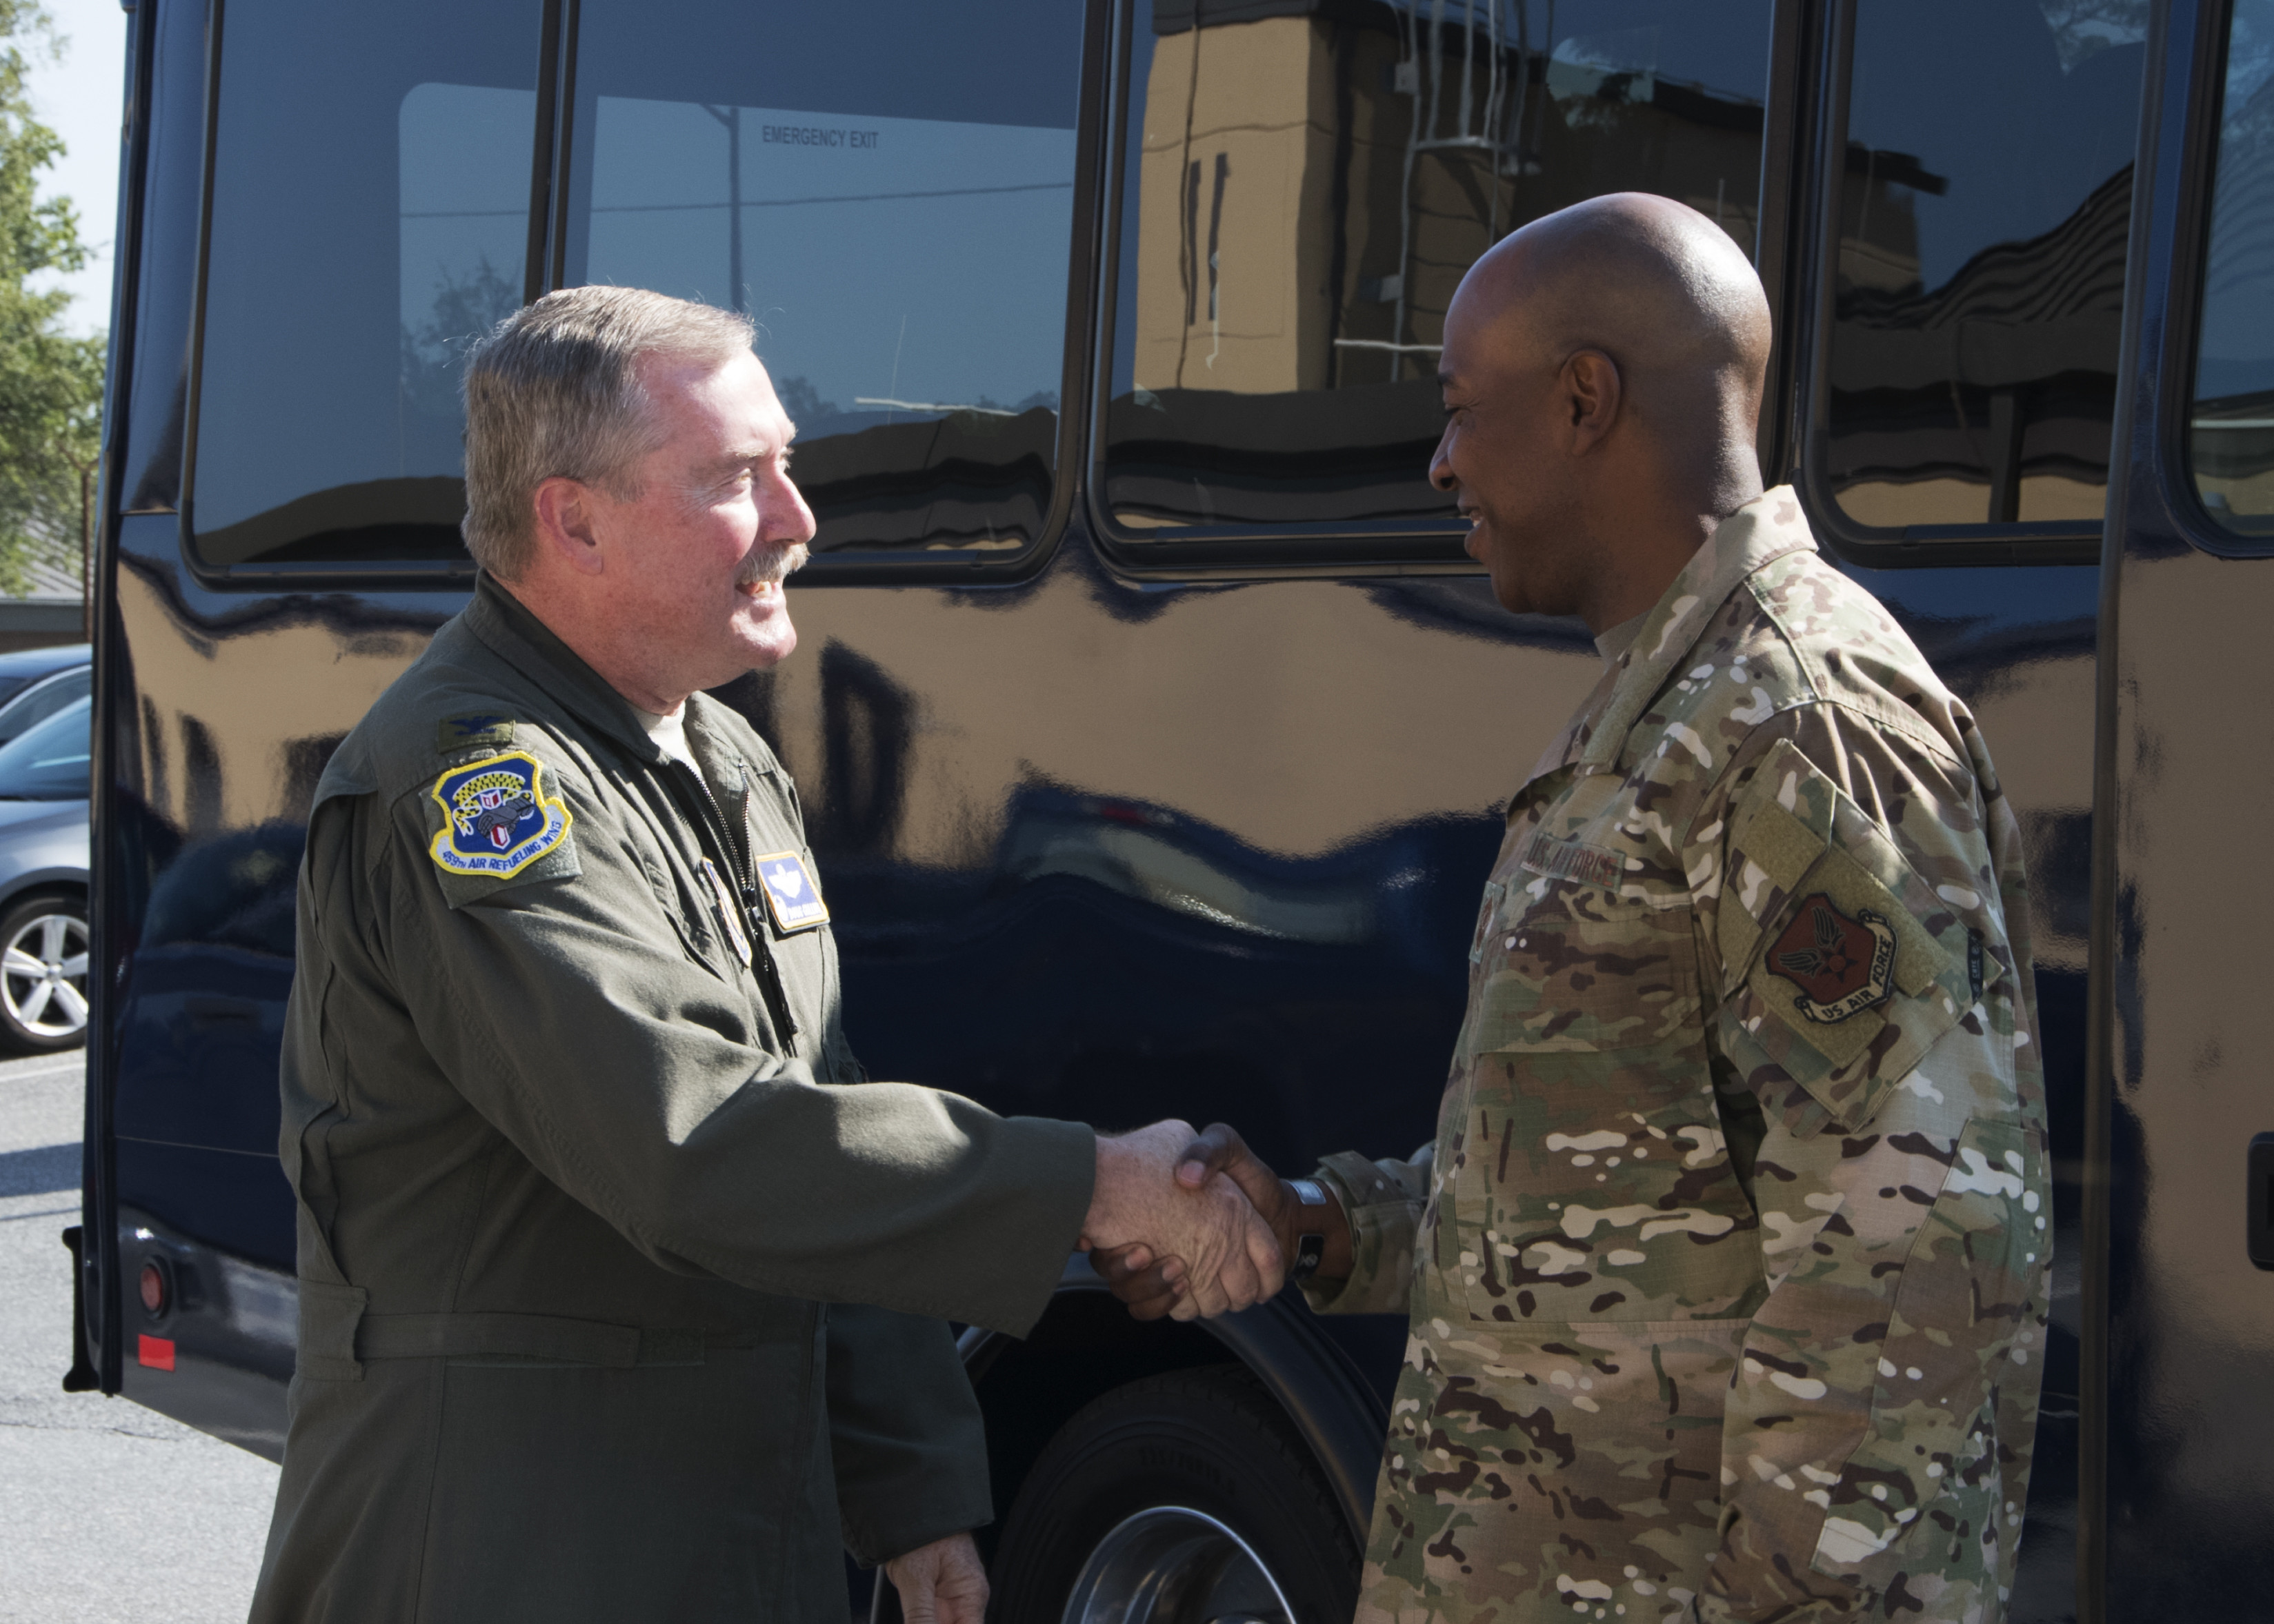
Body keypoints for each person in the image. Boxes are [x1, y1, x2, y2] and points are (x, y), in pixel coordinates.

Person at [248, 286, 1279, 1624]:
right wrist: (1087, 1182)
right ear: (575, 521)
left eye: (786, 466)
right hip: (503, 1543)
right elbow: (692, 1142)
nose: (797, 518)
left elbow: (817, 1115)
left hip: (715, 1529)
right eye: (738, 478)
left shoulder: (716, 751)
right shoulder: (474, 780)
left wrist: (909, 1487)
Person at [1099, 194, 2051, 1624]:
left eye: (1458, 411)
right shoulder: (1674, 701)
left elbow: (1914, 1258)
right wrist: (1314, 1220)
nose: (1440, 463)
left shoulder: (1796, 722)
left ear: (1582, 400)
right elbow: (1603, 1185)